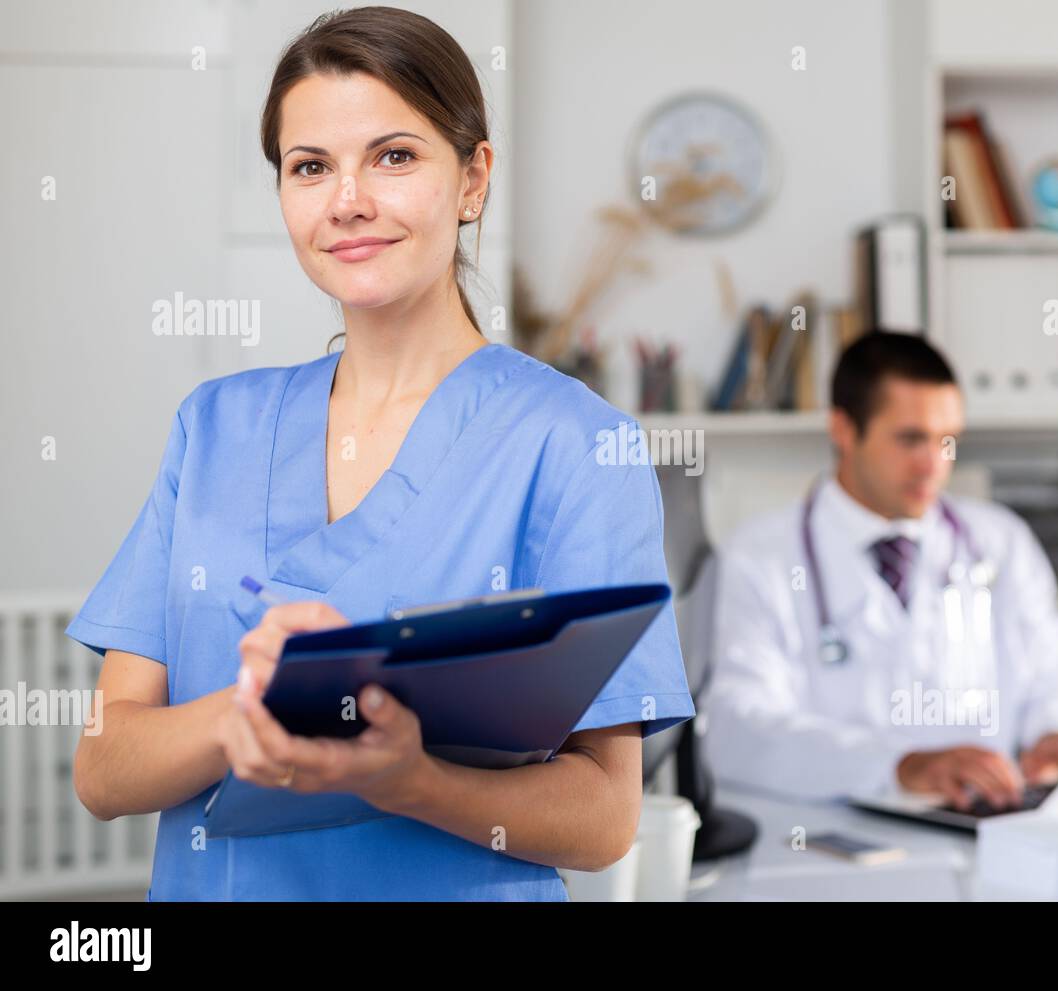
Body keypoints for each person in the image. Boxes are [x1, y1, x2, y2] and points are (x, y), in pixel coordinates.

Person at [66, 6, 693, 901]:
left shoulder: (575, 443)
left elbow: (605, 819)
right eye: (310, 167)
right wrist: (247, 711)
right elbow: (102, 769)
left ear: (473, 177)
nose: (348, 199)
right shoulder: (212, 428)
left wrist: (414, 781)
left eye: (394, 156)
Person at [703, 331, 1058, 809]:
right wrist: (898, 765)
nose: (934, 465)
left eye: (948, 441)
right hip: (826, 845)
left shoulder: (999, 542)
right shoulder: (760, 557)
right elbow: (740, 729)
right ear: (842, 429)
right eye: (910, 439)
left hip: (984, 829)